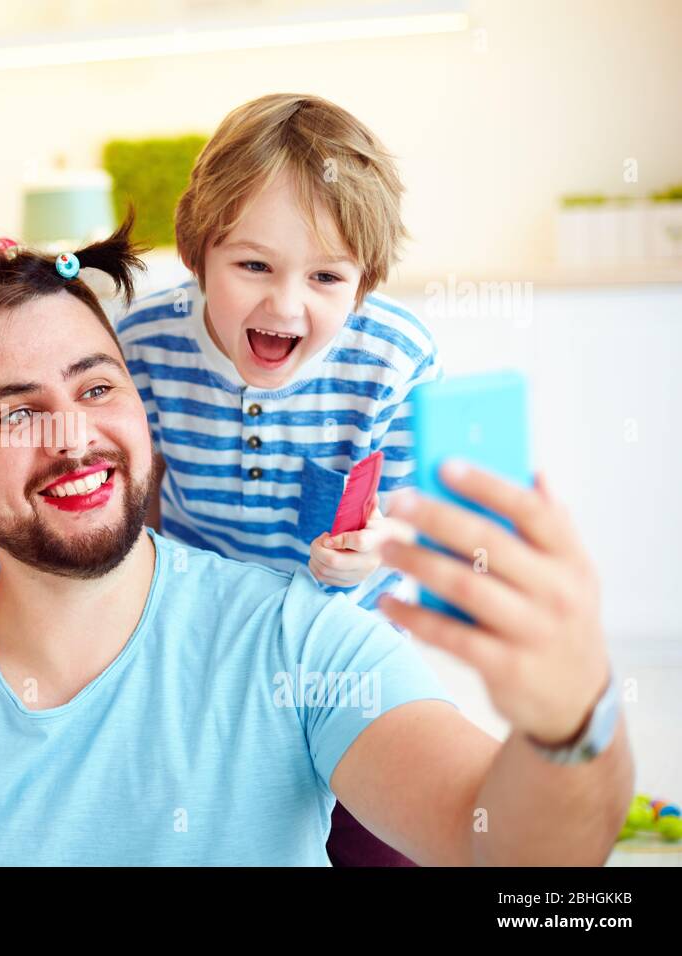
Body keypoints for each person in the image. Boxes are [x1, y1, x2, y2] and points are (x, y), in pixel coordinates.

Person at [0, 216, 632, 865]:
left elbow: (504, 845)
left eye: (97, 385)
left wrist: (572, 723)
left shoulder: (300, 639)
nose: (74, 438)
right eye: (15, 412)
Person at [118, 92, 441, 864]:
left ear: (363, 282)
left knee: (382, 837)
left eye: (327, 277)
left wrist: (380, 544)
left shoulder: (393, 357)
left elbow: (413, 513)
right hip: (208, 644)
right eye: (253, 265)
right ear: (198, 254)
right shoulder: (145, 345)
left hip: (350, 641)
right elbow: (139, 504)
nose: (285, 303)